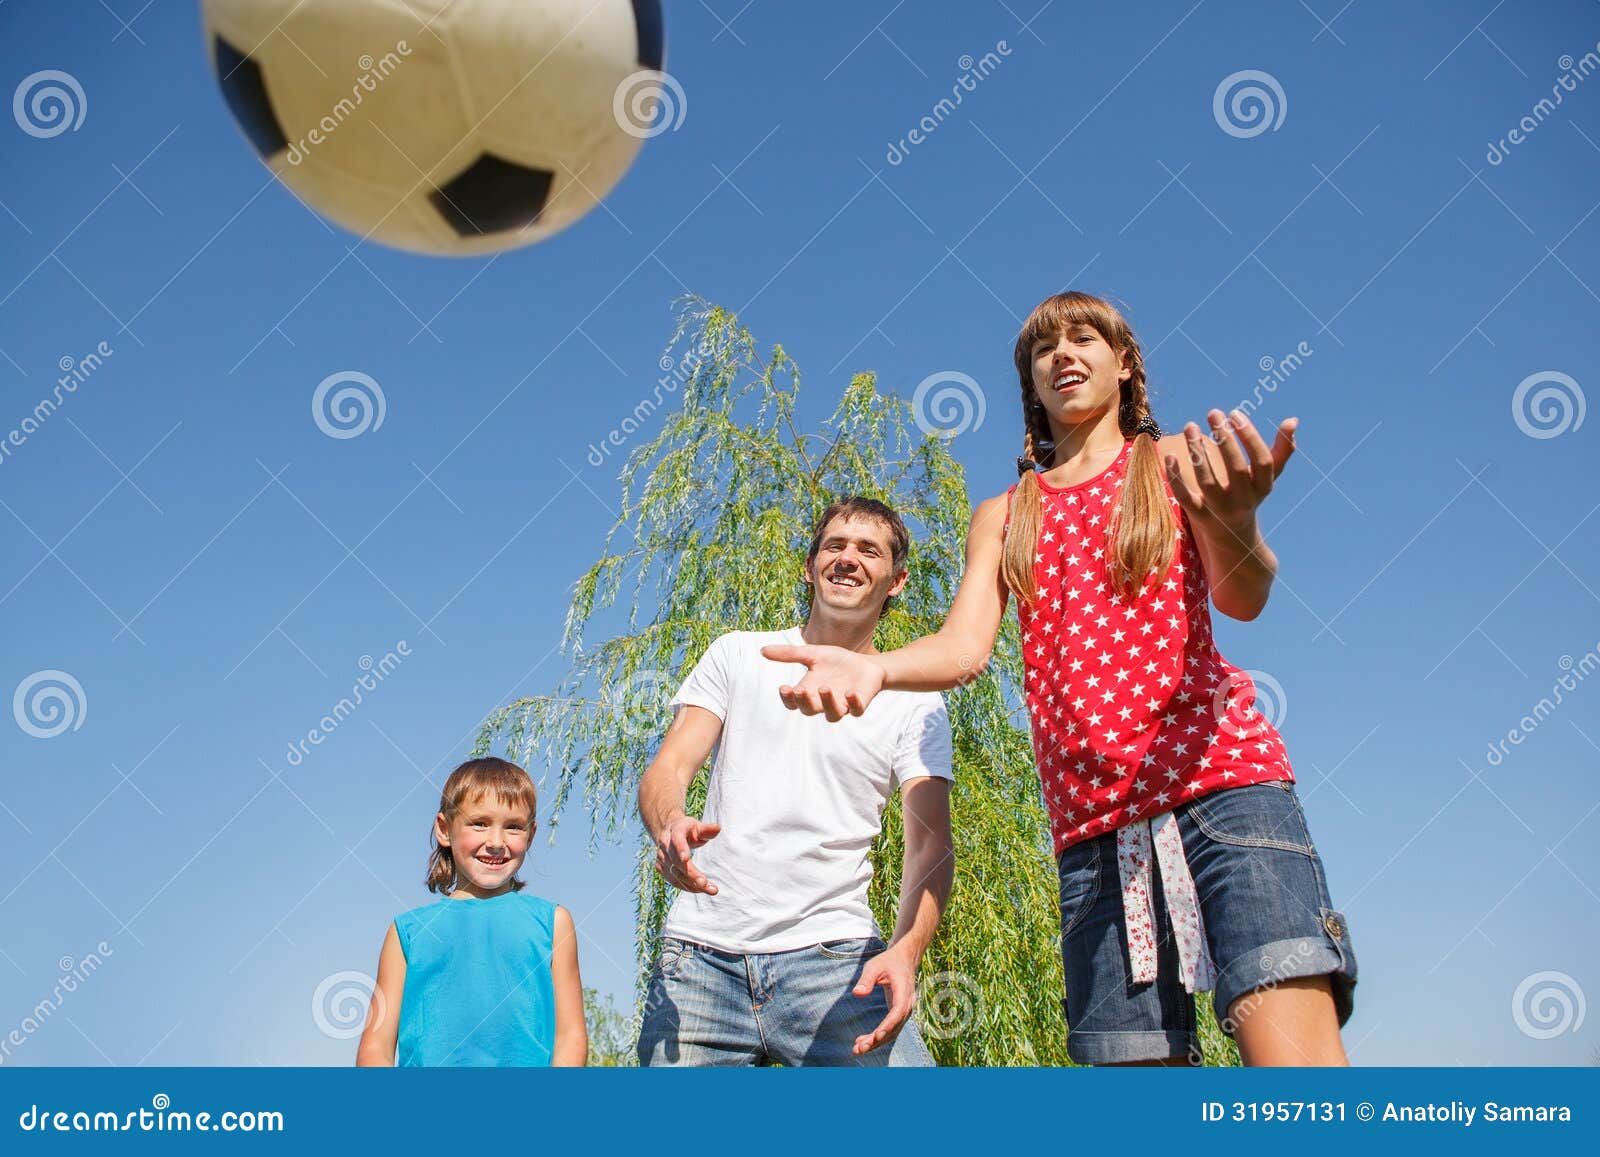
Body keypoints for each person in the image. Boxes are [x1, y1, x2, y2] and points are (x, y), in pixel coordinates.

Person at [761, 291, 1357, 1066]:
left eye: (1084, 338)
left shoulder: (1173, 459)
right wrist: (874, 665)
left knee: (1293, 1074)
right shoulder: (1005, 514)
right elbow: (965, 648)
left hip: (1221, 793)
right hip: (1093, 834)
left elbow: (1245, 596)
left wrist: (1237, 525)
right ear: (1031, 383)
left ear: (1125, 363)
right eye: (1045, 348)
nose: (1063, 355)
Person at [635, 497, 955, 1066]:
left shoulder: (916, 702)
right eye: (834, 545)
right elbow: (669, 768)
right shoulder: (738, 654)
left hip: (836, 960)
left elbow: (929, 842)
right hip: (701, 959)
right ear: (810, 567)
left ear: (897, 580)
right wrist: (670, 824)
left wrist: (905, 952)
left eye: (868, 550)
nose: (847, 558)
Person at [355, 757, 587, 1066]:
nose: (496, 842)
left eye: (513, 827)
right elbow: (376, 1046)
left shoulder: (554, 923)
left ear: (530, 836)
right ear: (444, 829)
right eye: (479, 823)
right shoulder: (407, 932)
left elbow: (570, 1036)